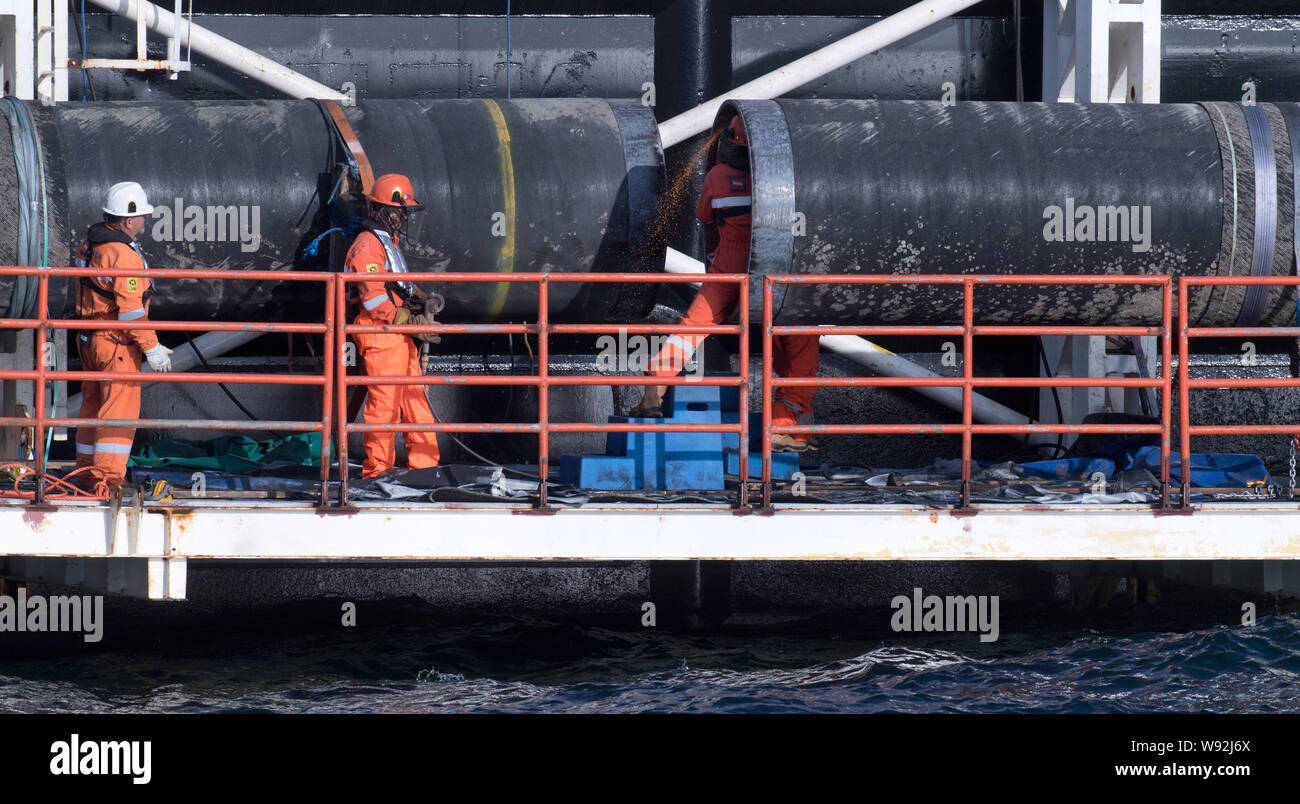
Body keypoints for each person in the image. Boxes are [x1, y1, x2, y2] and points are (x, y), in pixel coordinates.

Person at [631, 116, 821, 452]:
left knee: (691, 328)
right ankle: (783, 424)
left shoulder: (717, 176)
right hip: (779, 266)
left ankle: (652, 394)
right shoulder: (783, 177)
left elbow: (704, 217)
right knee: (797, 340)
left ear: (730, 143)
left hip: (730, 265)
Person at [73, 181, 173, 489]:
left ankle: (86, 475)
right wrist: (152, 347)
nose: (145, 220)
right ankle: (107, 482)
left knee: (92, 407)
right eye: (142, 215)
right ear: (128, 220)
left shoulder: (89, 244)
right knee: (118, 411)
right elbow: (130, 312)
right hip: (115, 342)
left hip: (89, 338)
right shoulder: (123, 255)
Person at [345, 172, 442, 478]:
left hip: (398, 336)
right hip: (381, 334)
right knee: (384, 406)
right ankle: (377, 472)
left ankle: (425, 469)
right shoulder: (367, 245)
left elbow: (396, 286)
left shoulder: (386, 242)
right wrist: (404, 318)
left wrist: (420, 303)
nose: (404, 218)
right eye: (401, 212)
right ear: (387, 210)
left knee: (415, 402)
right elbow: (373, 298)